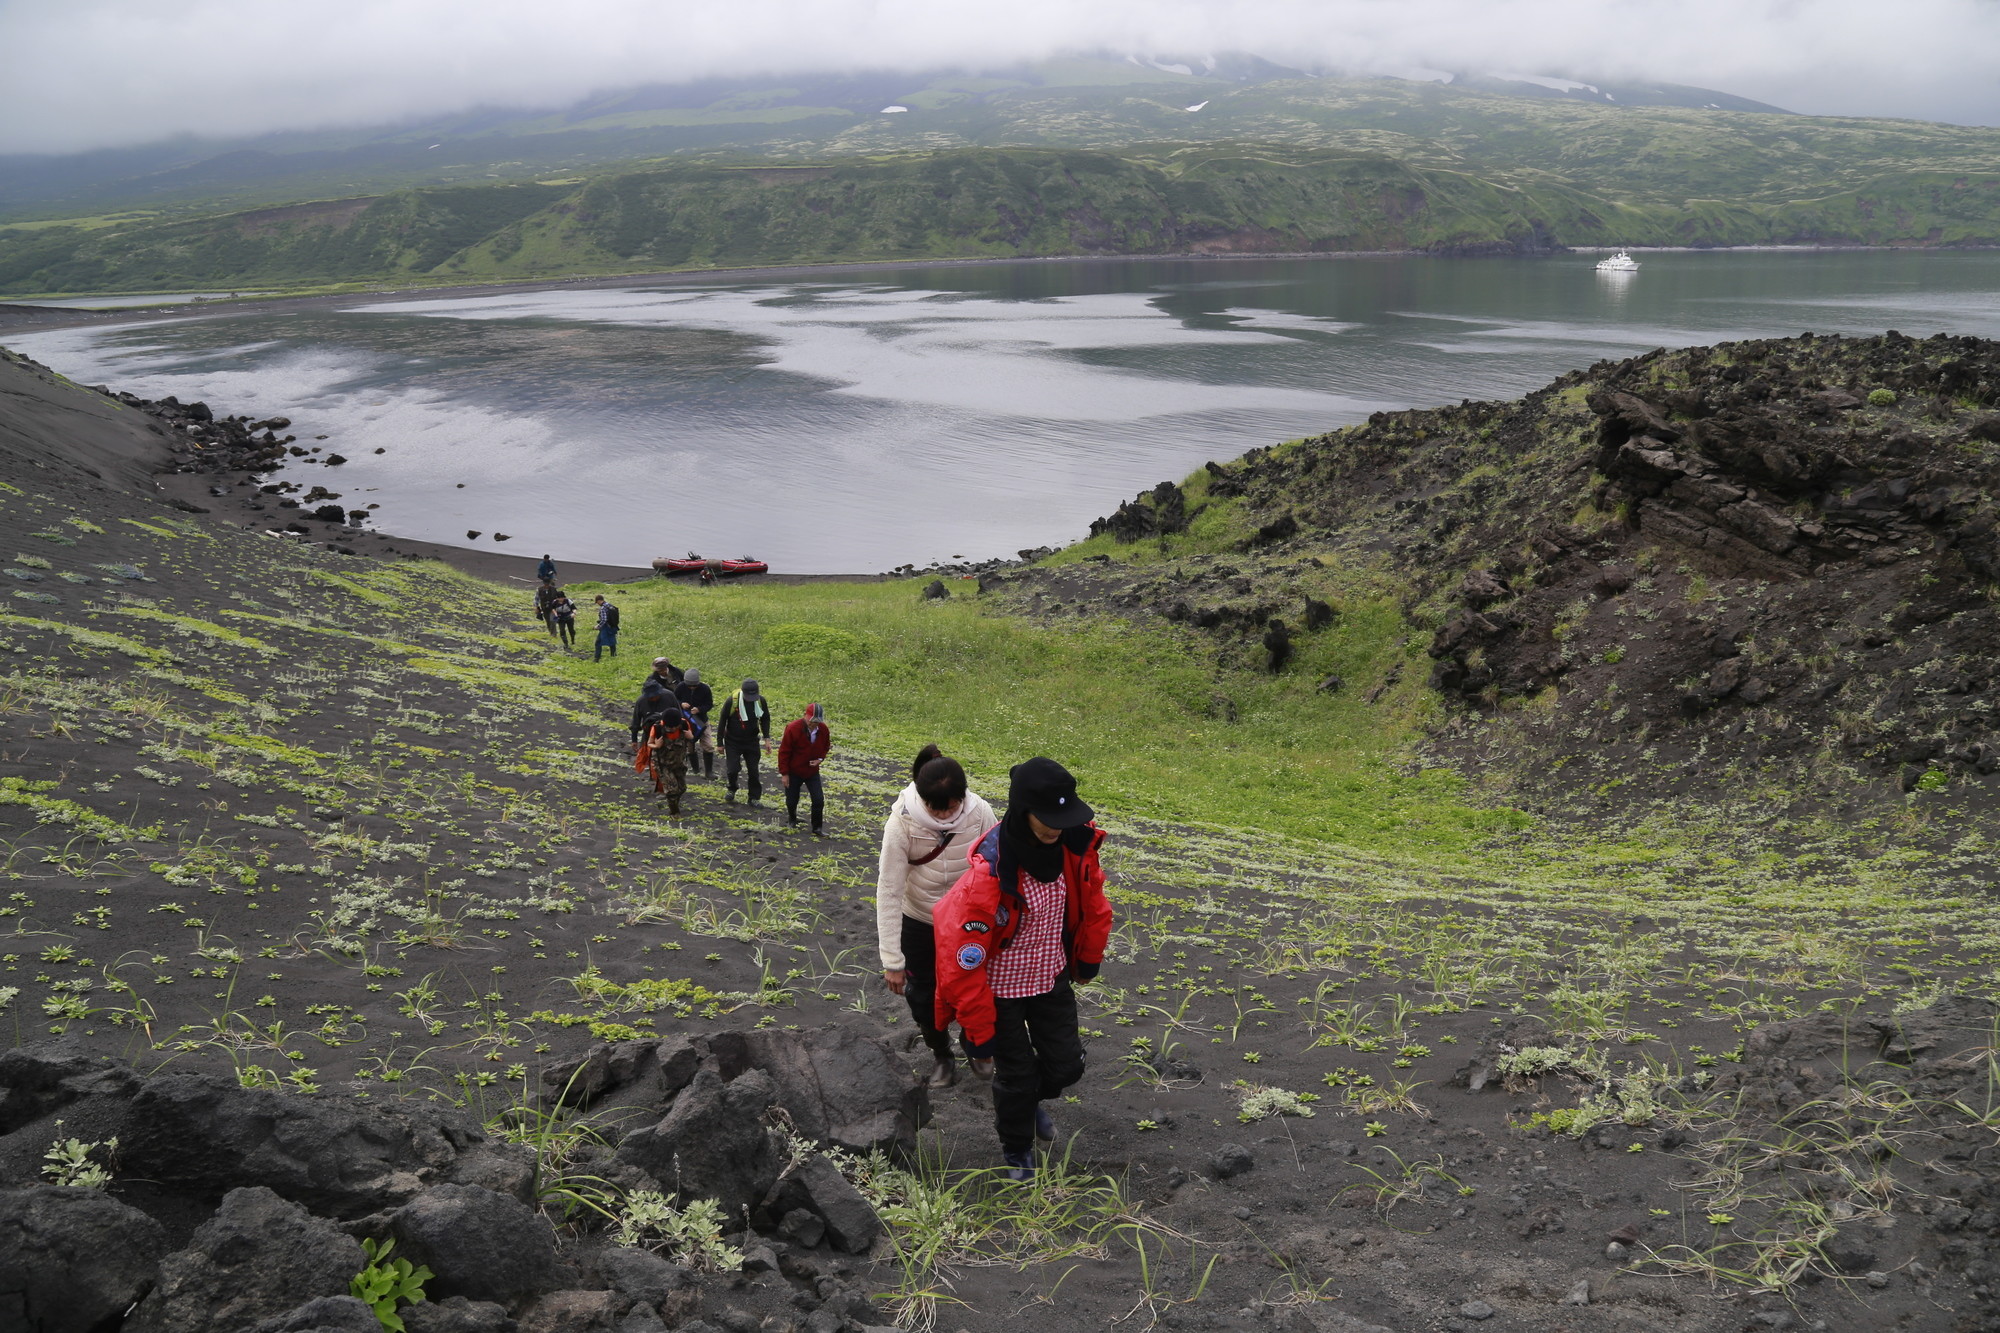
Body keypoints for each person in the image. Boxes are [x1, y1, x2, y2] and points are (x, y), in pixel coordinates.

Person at [933, 758, 1112, 1181]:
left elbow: (1094, 907)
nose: (1056, 827)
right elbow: (961, 958)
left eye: (1062, 818)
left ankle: (1030, 1101)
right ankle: (1016, 1151)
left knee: (1067, 1066)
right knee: (1017, 1077)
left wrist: (1087, 959)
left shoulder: (1073, 848)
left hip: (1049, 977)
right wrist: (979, 1029)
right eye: (1047, 818)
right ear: (1022, 810)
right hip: (999, 991)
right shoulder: (990, 873)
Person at [876, 745, 999, 1088]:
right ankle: (941, 1054)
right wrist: (892, 960)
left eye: (952, 808)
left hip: (968, 924)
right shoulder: (901, 821)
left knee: (976, 990)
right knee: (924, 995)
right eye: (935, 809)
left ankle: (976, 1046)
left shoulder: (981, 813)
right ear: (921, 796)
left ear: (964, 796)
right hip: (920, 920)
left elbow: (997, 869)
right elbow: (889, 890)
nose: (944, 816)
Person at [630, 688, 692, 814]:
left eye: (675, 727)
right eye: (670, 727)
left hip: (679, 763)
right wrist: (656, 746)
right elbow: (649, 744)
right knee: (671, 790)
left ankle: (674, 803)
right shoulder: (657, 728)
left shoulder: (684, 724)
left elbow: (690, 739)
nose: (672, 729)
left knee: (682, 788)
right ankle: (674, 812)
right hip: (662, 763)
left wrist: (690, 737)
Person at [777, 702, 832, 835]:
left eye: (816, 722)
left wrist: (820, 759)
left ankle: (817, 827)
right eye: (811, 721)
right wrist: (784, 773)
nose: (813, 725)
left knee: (818, 799)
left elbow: (826, 746)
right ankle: (792, 819)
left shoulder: (823, 730)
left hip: (812, 772)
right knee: (792, 799)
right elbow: (784, 752)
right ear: (805, 717)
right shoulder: (792, 728)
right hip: (794, 770)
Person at [715, 678, 772, 805]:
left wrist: (767, 739)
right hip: (733, 741)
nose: (750, 699)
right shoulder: (732, 701)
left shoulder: (760, 701)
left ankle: (754, 798)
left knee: (753, 771)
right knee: (732, 769)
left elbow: (765, 718)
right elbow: (722, 720)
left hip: (752, 741)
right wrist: (720, 743)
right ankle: (732, 788)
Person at [629, 658, 683, 741]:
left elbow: (679, 715)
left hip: (669, 730)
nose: (662, 672)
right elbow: (636, 721)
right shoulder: (641, 701)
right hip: (649, 731)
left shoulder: (676, 674)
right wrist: (634, 739)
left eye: (663, 670)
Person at [676, 667, 715, 779]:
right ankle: (695, 769)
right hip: (687, 722)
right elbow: (674, 699)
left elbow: (709, 704)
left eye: (694, 685)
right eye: (690, 686)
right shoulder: (680, 687)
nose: (692, 687)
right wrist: (681, 704)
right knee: (689, 746)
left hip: (702, 721)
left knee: (708, 745)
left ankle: (709, 772)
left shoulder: (705, 689)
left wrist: (699, 709)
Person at [593, 594, 620, 662]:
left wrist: (598, 626)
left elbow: (604, 619)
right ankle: (613, 655)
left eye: (597, 602)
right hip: (613, 626)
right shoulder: (610, 605)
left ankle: (597, 658)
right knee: (612, 641)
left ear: (599, 601)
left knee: (598, 642)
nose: (597, 604)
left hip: (606, 627)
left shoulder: (603, 608)